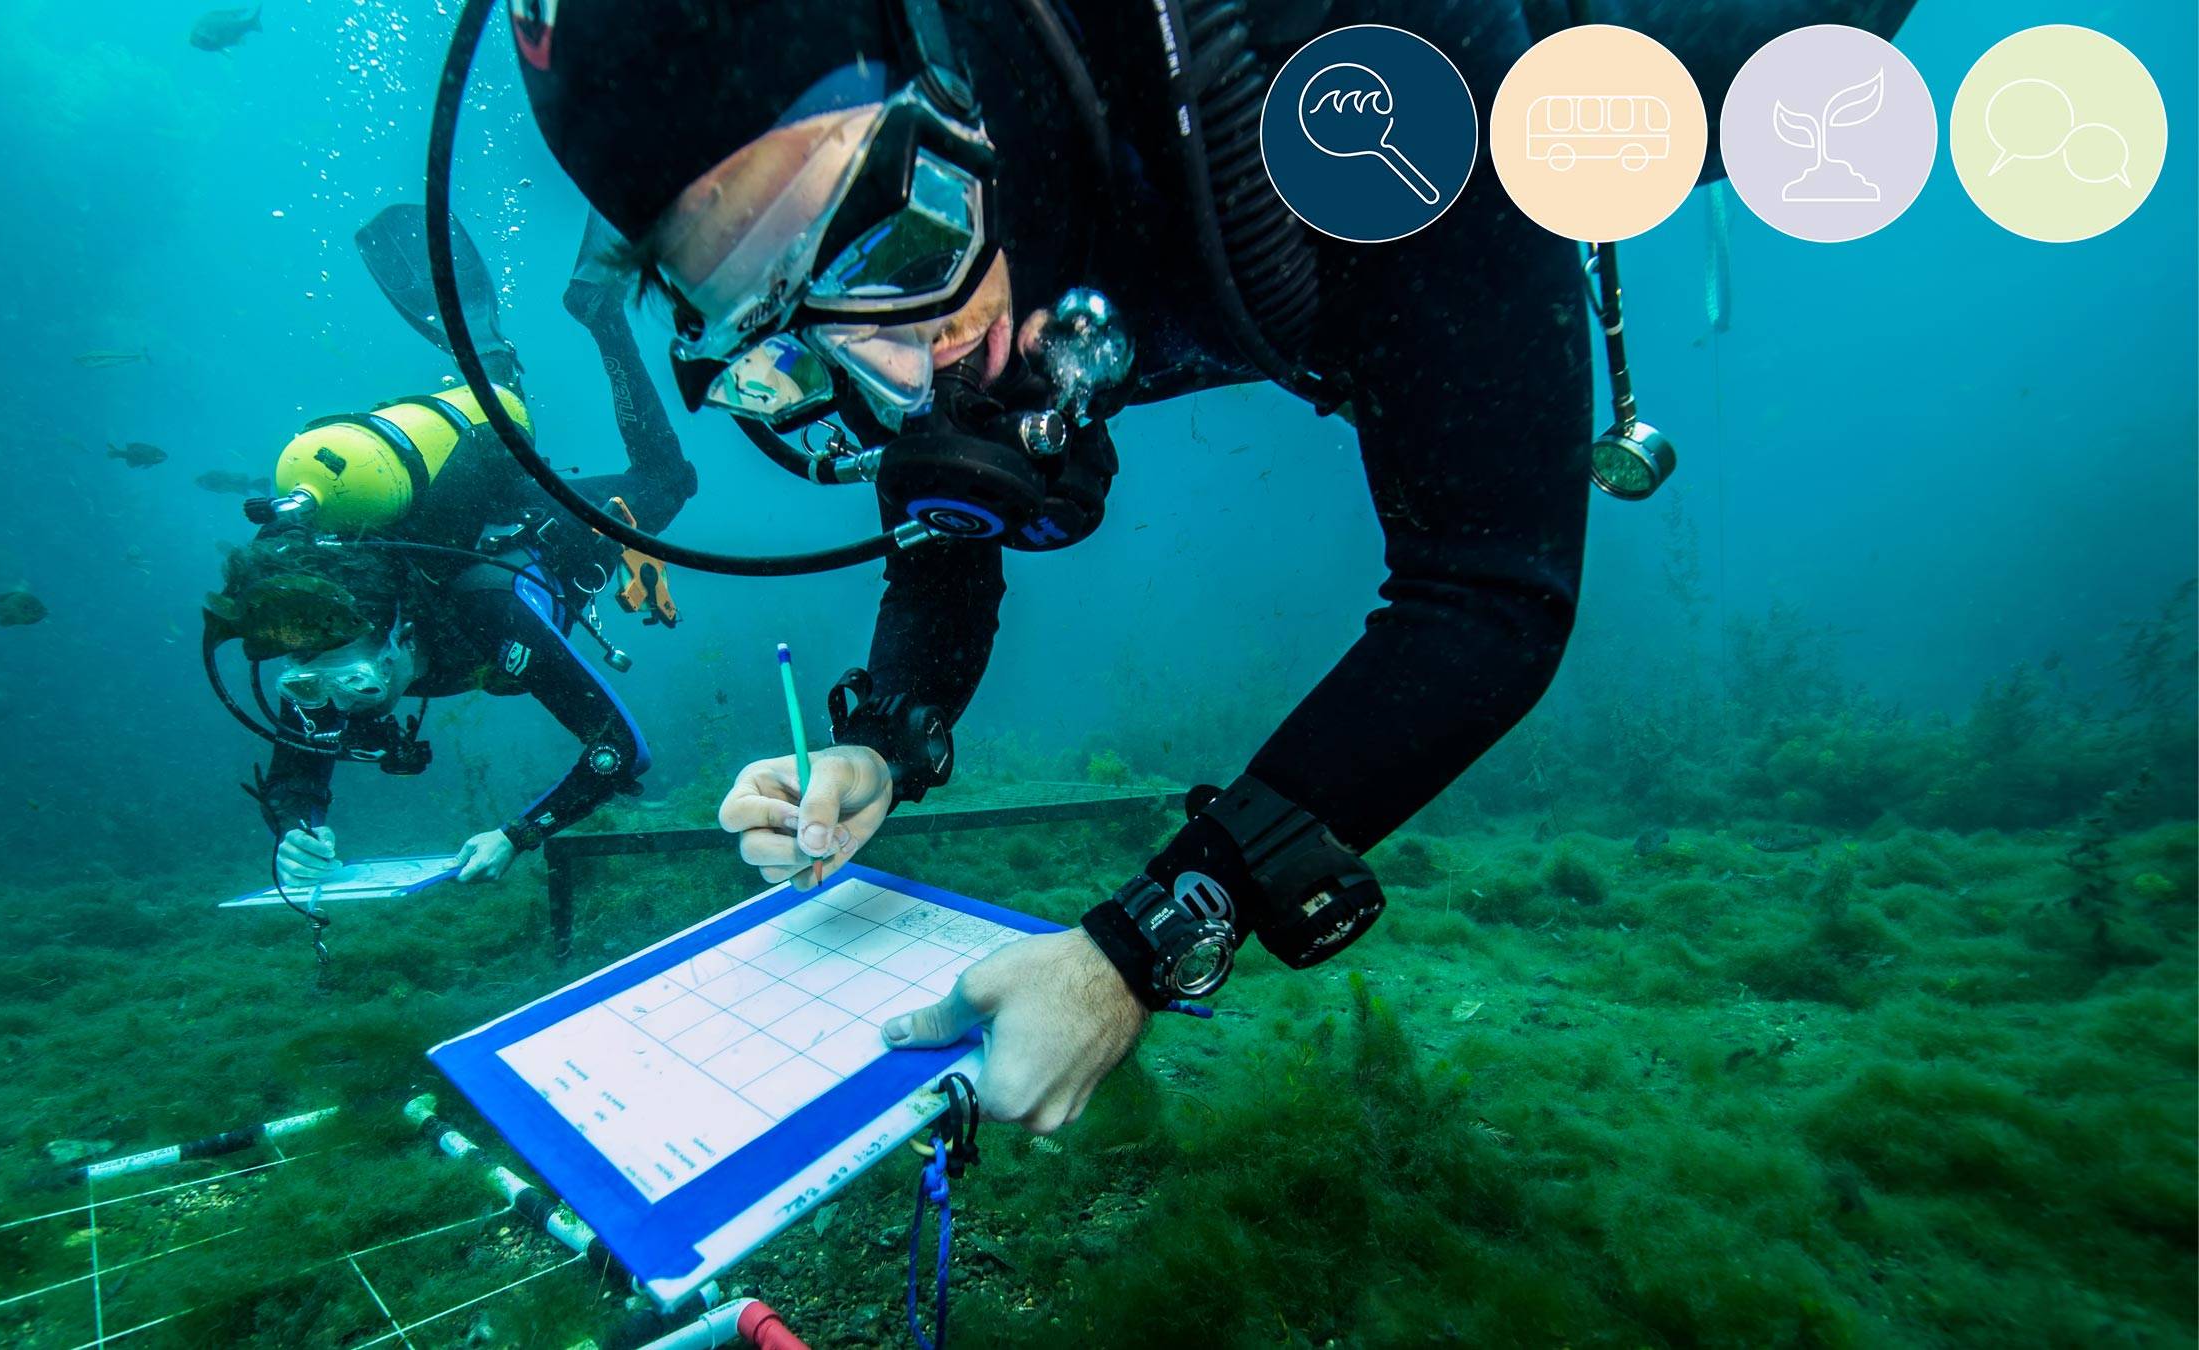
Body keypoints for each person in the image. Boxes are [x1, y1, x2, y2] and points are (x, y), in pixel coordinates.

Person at [502, 0, 1916, 1131]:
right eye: (777, 331)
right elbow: (956, 505)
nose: (885, 361)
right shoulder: (941, 233)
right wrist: (884, 734)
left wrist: (1141, 942)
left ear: (962, 64)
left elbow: (1487, 596)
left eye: (883, 232)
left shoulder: (1382, 81)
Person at [215, 207, 696, 889]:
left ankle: (600, 310)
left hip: (536, 529)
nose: (334, 704)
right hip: (452, 512)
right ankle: (493, 372)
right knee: (499, 420)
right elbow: (296, 779)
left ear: (400, 630)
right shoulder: (318, 646)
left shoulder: (487, 613)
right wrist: (297, 831)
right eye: (306, 682)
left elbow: (620, 747)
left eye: (353, 681)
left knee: (669, 481)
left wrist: (518, 835)